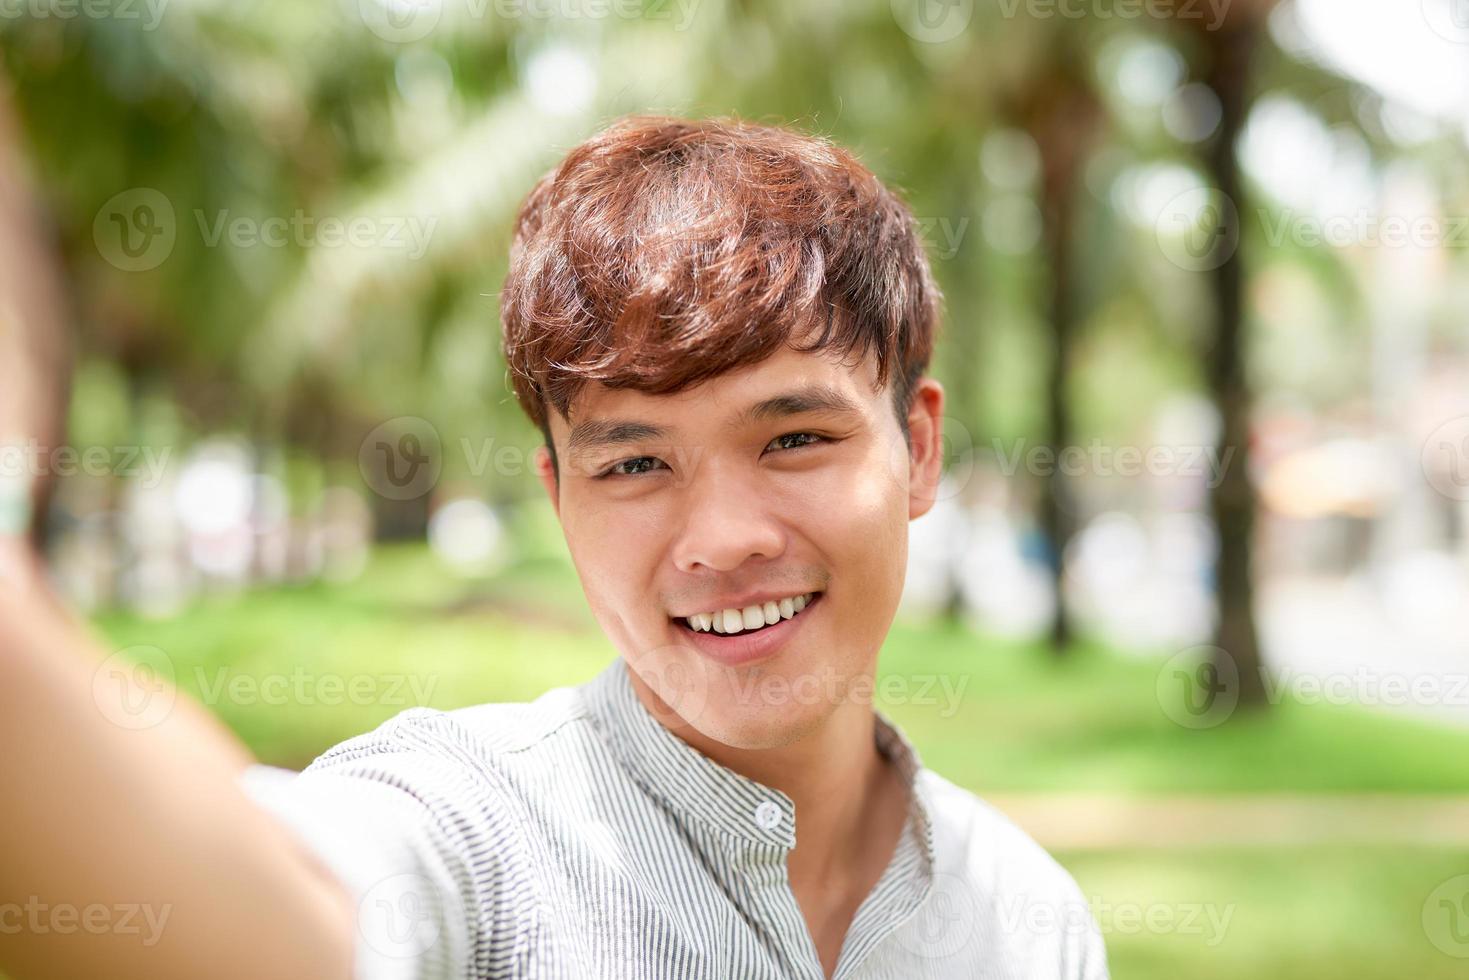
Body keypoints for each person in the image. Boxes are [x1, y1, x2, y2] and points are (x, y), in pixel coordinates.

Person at [0, 115, 1108, 980]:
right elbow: (289, 916)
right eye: (633, 463)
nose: (721, 539)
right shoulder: (474, 836)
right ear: (559, 496)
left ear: (916, 447)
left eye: (793, 437)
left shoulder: (1024, 913)